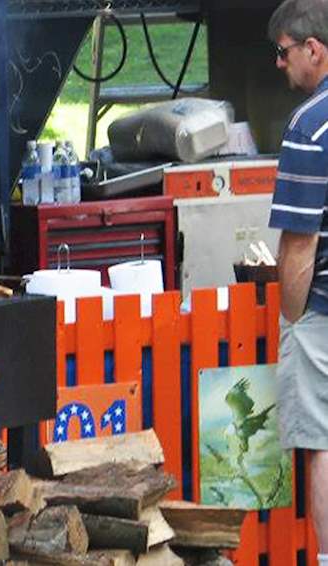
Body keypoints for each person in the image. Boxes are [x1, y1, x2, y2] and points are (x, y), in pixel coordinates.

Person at [267, 2, 328, 562]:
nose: (280, 65)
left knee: (322, 446)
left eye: (284, 52)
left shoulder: (310, 124)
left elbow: (300, 242)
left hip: (323, 315)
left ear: (315, 49)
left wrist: (292, 317)